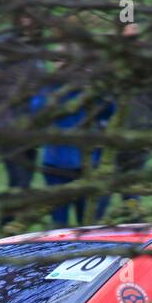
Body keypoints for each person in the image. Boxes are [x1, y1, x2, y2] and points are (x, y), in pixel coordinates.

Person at [0, 9, 48, 233]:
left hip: (32, 126)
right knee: (19, 179)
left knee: (24, 179)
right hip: (8, 125)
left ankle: (13, 227)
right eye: (26, 16)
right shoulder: (4, 46)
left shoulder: (38, 47)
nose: (29, 21)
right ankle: (8, 228)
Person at [30, 60, 116, 228]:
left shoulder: (92, 86)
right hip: (57, 164)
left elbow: (109, 109)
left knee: (89, 224)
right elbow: (38, 111)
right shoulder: (51, 86)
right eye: (56, 60)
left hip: (88, 162)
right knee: (59, 225)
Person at [114, 22, 152, 204]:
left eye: (134, 29)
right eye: (127, 28)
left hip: (138, 132)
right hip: (112, 134)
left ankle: (134, 219)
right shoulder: (108, 62)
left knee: (133, 185)